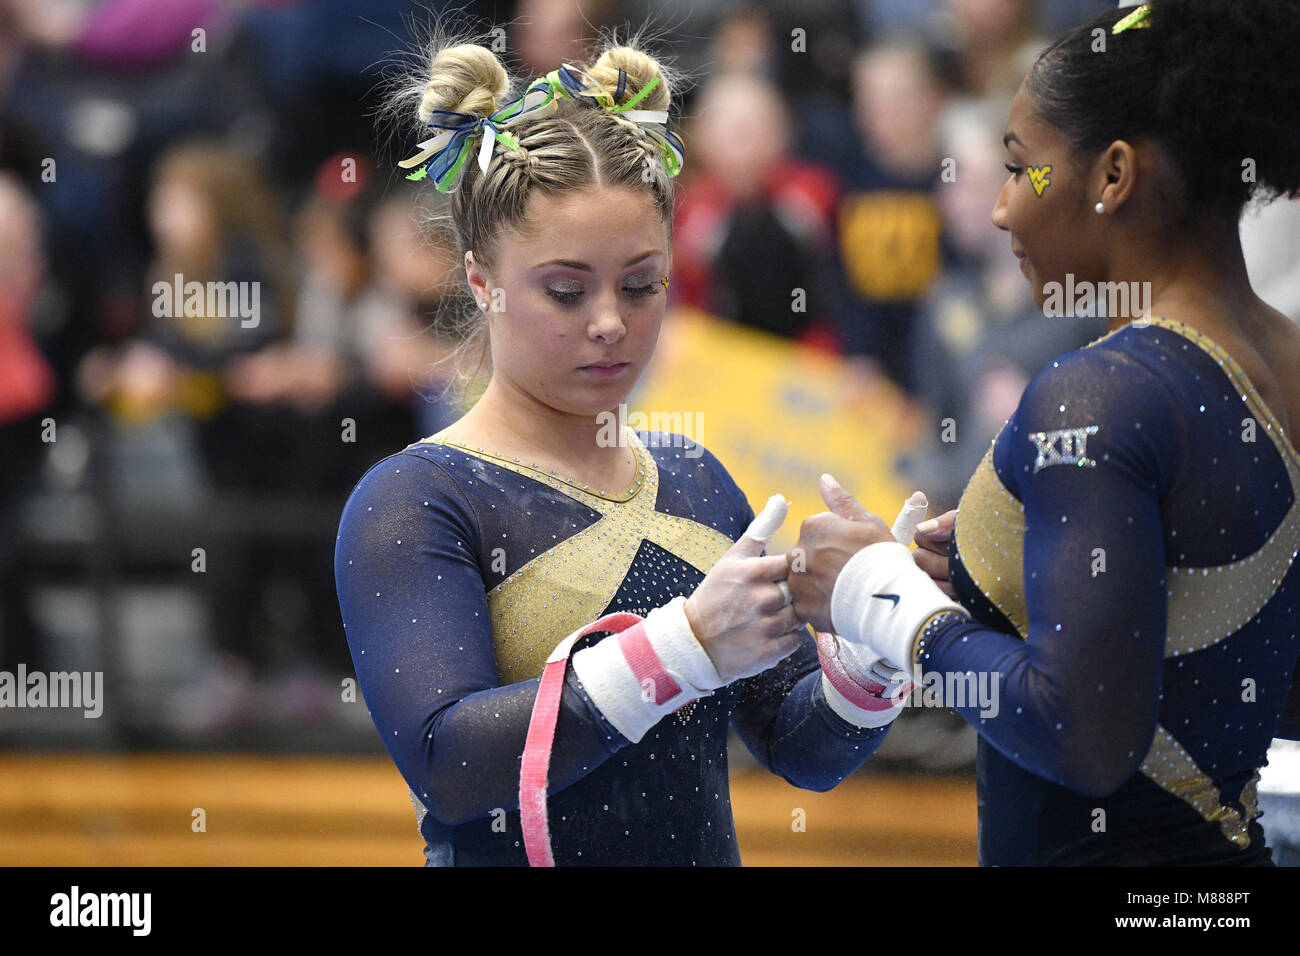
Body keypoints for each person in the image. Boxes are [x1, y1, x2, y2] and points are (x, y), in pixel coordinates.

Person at [334, 36, 912, 867]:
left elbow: (800, 747)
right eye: (566, 291)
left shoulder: (695, 477)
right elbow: (451, 767)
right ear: (481, 280)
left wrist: (873, 644)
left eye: (642, 285)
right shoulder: (417, 499)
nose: (610, 321)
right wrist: (686, 647)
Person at [786, 0, 1300, 865]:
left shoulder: (1099, 394)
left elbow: (1083, 738)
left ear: (1113, 176)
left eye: (1019, 170)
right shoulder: (1281, 355)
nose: (995, 211)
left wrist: (878, 596)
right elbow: (1246, 670)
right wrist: (1013, 584)